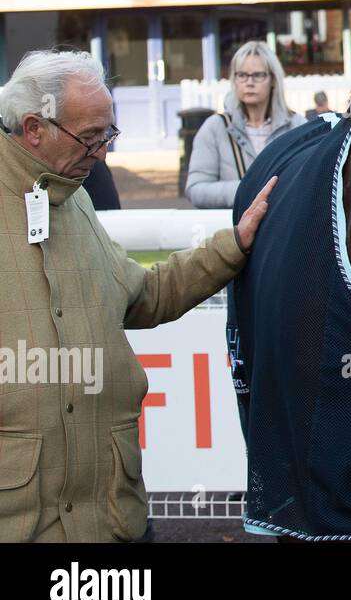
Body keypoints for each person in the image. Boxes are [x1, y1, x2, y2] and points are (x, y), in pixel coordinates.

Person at [0, 49, 275, 541]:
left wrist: (235, 243)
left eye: (108, 135)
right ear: (34, 128)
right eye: (90, 137)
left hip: (111, 521)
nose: (103, 154)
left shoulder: (75, 195)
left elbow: (143, 294)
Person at [185, 41, 305, 208]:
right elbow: (196, 190)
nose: (249, 82)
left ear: (273, 80)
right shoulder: (215, 127)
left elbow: (310, 183)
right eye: (241, 75)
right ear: (234, 80)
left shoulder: (297, 127)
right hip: (233, 230)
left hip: (284, 228)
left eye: (258, 75)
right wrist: (247, 190)